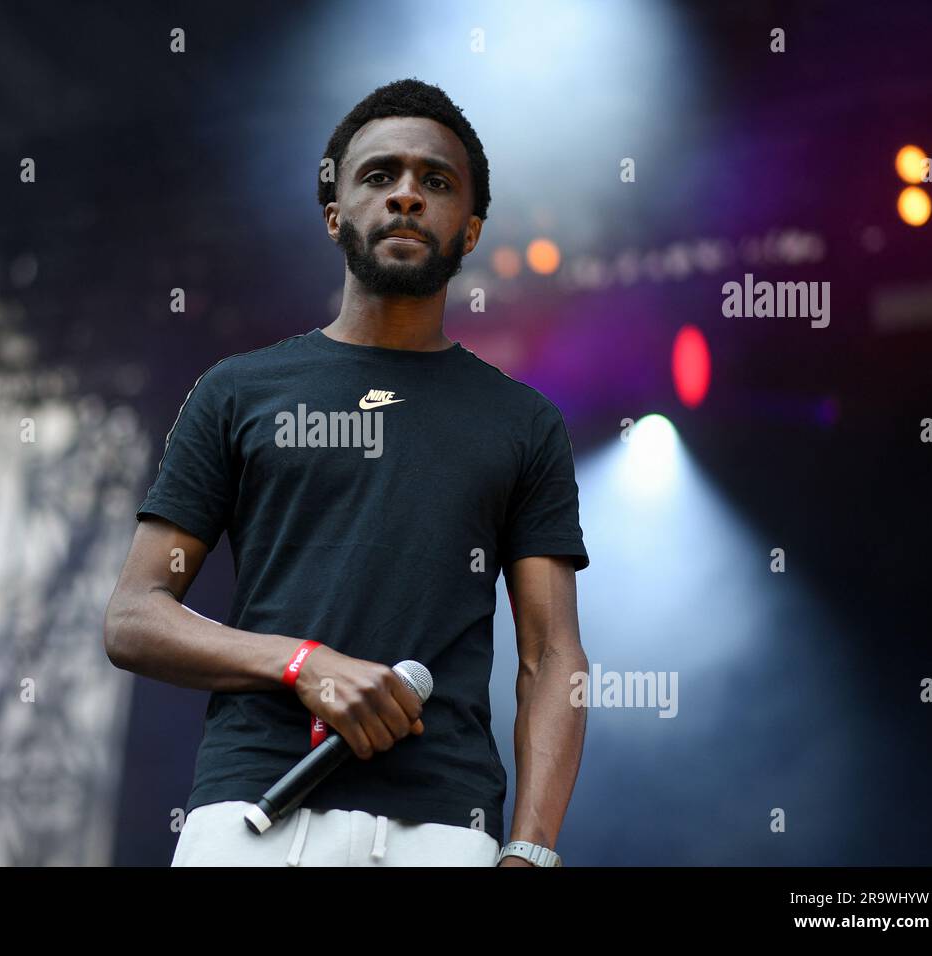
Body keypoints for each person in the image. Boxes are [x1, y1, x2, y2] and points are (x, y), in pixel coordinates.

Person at [104, 78, 589, 867]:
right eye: (378, 176)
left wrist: (530, 851)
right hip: (249, 816)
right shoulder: (236, 391)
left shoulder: (524, 422)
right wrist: (303, 663)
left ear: (469, 232)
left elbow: (553, 656)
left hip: (444, 832)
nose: (405, 196)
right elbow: (133, 618)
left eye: (434, 182)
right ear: (335, 217)